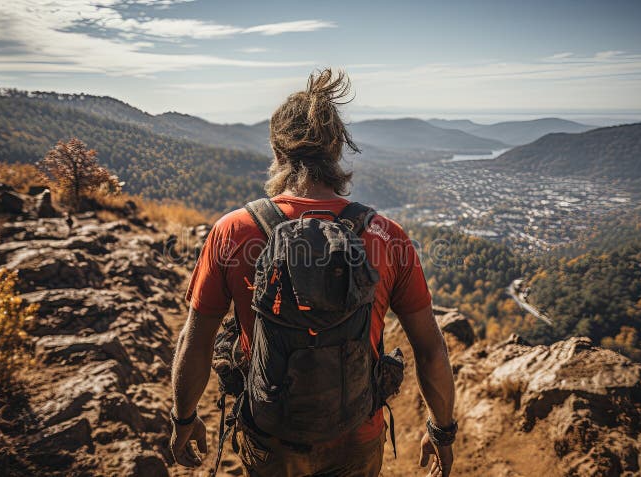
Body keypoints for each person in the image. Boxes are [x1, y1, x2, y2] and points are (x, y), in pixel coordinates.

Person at [169, 68, 457, 477]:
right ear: (337, 152)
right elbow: (430, 350)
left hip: (271, 438)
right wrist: (442, 431)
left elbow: (196, 341)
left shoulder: (233, 231)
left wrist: (183, 419)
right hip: (357, 436)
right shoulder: (386, 236)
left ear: (277, 150)